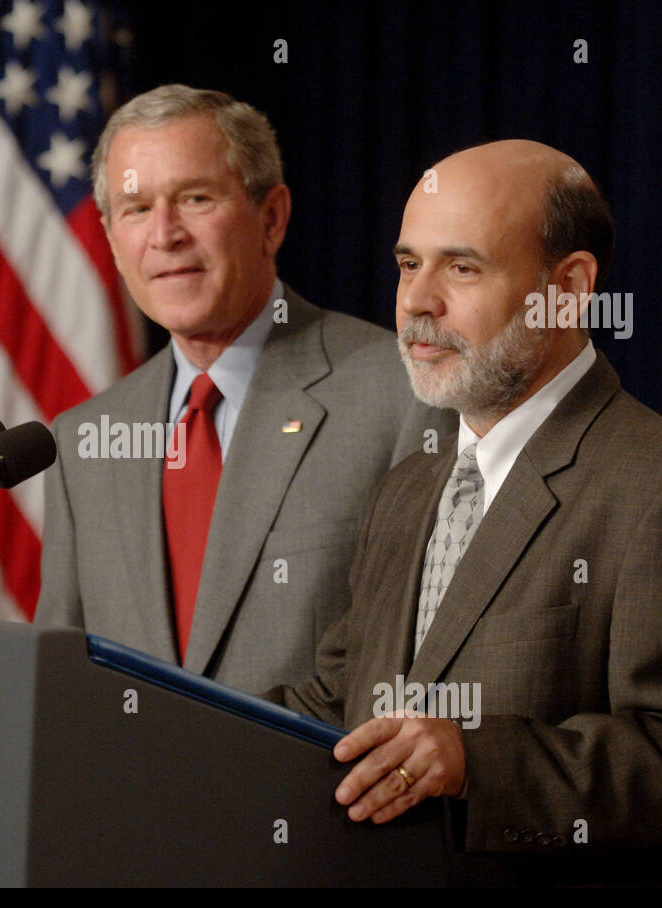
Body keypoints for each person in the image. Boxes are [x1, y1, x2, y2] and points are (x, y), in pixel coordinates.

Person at [273, 139, 662, 885]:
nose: (417, 302)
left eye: (462, 266)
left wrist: (478, 761)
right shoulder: (408, 488)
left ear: (568, 288)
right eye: (409, 264)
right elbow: (339, 699)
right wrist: (164, 721)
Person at [35, 85, 451, 692]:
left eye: (195, 198)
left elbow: (420, 657)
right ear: (109, 236)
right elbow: (63, 684)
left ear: (272, 218)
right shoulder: (80, 439)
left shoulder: (401, 393)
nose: (164, 234)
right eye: (135, 208)